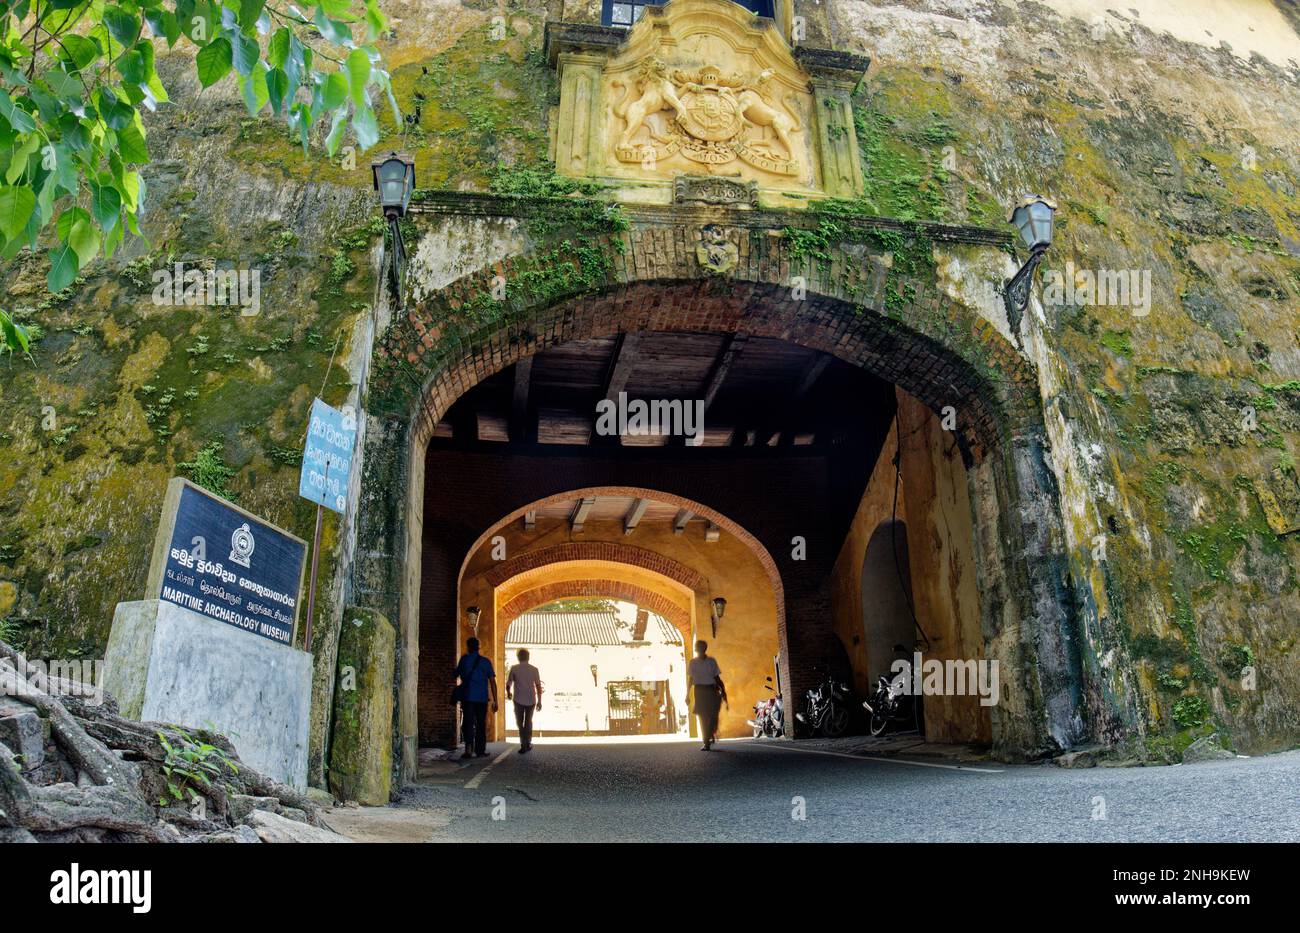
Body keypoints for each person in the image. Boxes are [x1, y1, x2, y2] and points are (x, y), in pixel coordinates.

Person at [454, 637, 498, 759]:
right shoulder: (486, 662)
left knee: (468, 723)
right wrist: (495, 700)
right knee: (480, 724)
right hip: (482, 699)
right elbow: (493, 682)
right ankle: (480, 750)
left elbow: (455, 674)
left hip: (467, 698)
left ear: (468, 647)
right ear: (479, 647)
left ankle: (468, 750)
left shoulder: (464, 660)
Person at [687, 640, 727, 750]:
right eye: (698, 647)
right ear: (696, 649)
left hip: (711, 690)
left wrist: (723, 692)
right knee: (702, 717)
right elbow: (691, 680)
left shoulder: (711, 661)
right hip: (699, 691)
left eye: (701, 647)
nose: (700, 649)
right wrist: (687, 695)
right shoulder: (693, 663)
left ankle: (710, 733)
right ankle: (706, 741)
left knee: (713, 715)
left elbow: (717, 678)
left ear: (705, 648)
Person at [505, 648, 543, 754]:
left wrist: (508, 693)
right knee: (528, 721)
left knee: (520, 722)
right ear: (528, 657)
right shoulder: (534, 669)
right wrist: (540, 701)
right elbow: (538, 686)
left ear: (518, 657)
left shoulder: (514, 668)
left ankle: (523, 743)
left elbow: (508, 684)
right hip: (531, 699)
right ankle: (527, 742)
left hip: (518, 700)